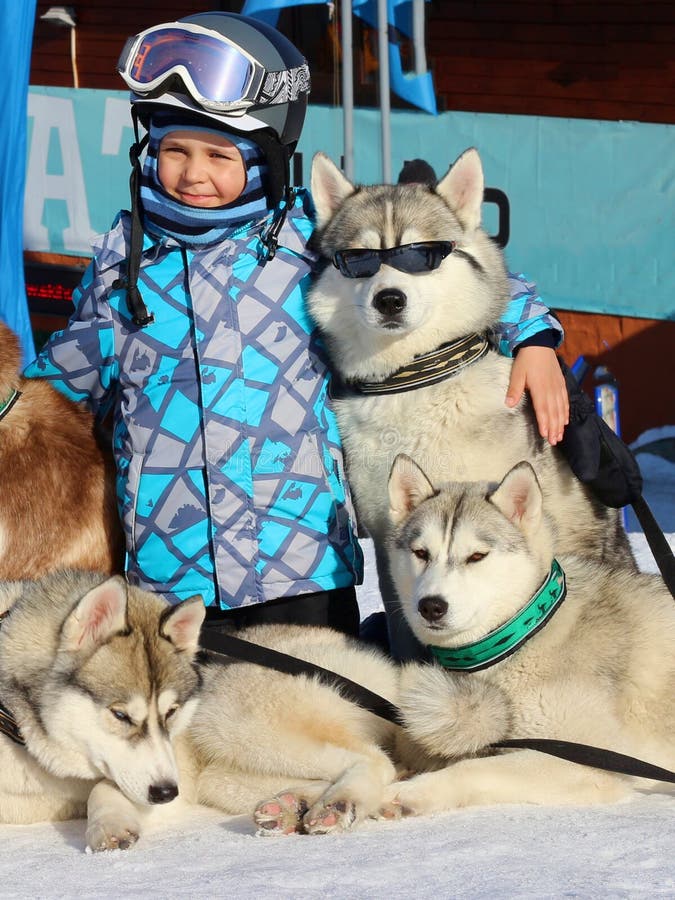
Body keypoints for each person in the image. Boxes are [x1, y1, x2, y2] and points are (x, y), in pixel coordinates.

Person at [25, 12, 566, 638]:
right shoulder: (125, 260)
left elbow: (446, 268)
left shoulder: (304, 241)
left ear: (264, 157)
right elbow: (65, 376)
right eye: (175, 150)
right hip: (170, 563)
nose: (193, 173)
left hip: (298, 559)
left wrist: (534, 336)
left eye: (218, 155)